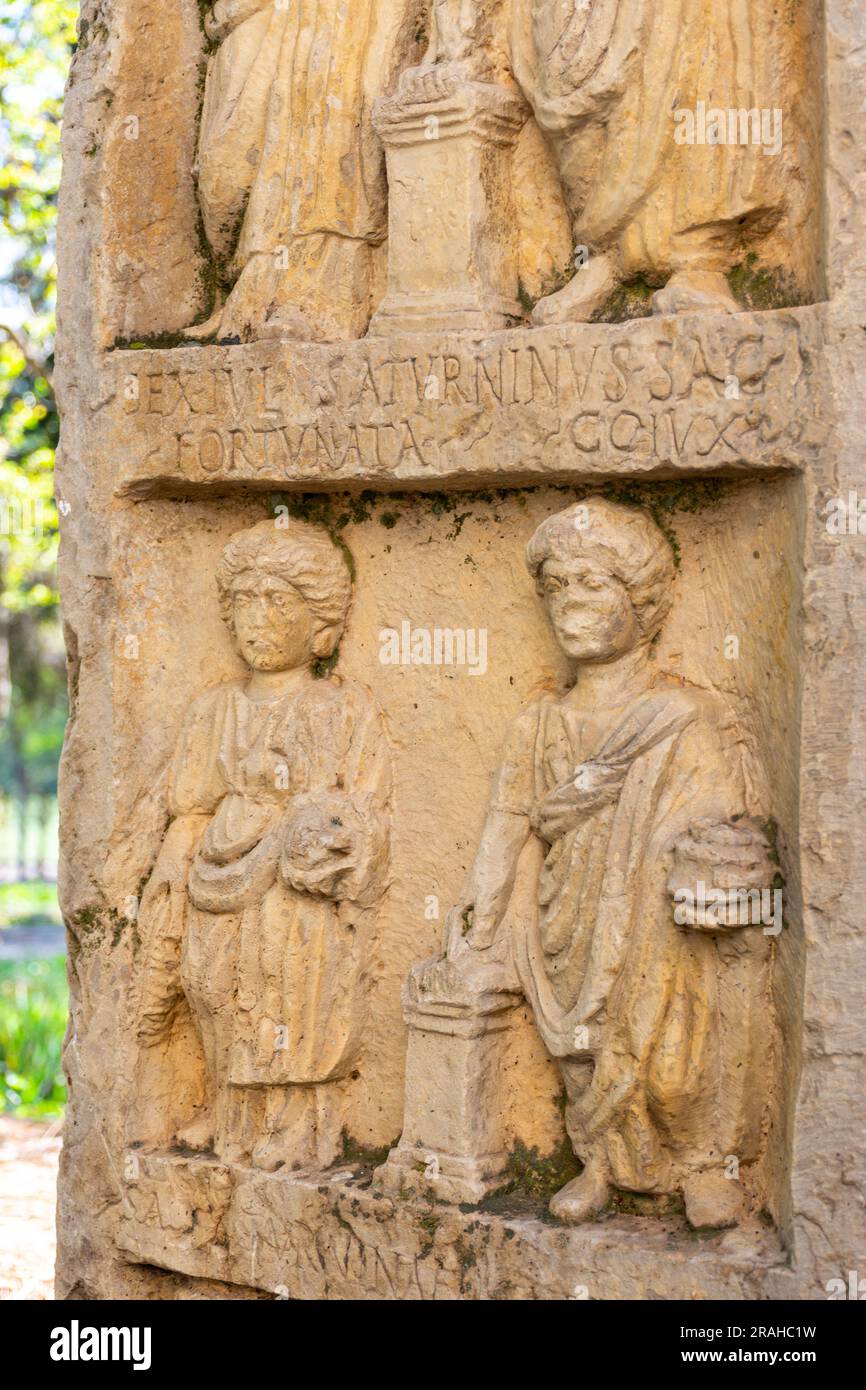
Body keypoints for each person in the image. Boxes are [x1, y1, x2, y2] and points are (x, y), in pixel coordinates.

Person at [443, 498, 777, 1227]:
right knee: (579, 1049)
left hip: (658, 917)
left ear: (644, 601)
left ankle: (699, 1164)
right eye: (557, 586)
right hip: (566, 910)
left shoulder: (683, 714)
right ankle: (602, 1163)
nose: (570, 603)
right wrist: (482, 901)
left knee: (677, 1045)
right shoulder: (539, 721)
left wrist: (688, 847)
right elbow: (510, 816)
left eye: (592, 585)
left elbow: (712, 809)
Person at [137, 519, 391, 1171]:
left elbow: (363, 807)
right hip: (219, 871)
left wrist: (326, 839)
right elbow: (190, 801)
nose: (259, 618)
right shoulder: (216, 708)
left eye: (278, 601)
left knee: (286, 992)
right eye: (245, 601)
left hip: (295, 891)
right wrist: (173, 860)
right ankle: (229, 1111)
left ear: (322, 625)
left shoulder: (341, 708)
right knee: (212, 987)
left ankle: (293, 1128)